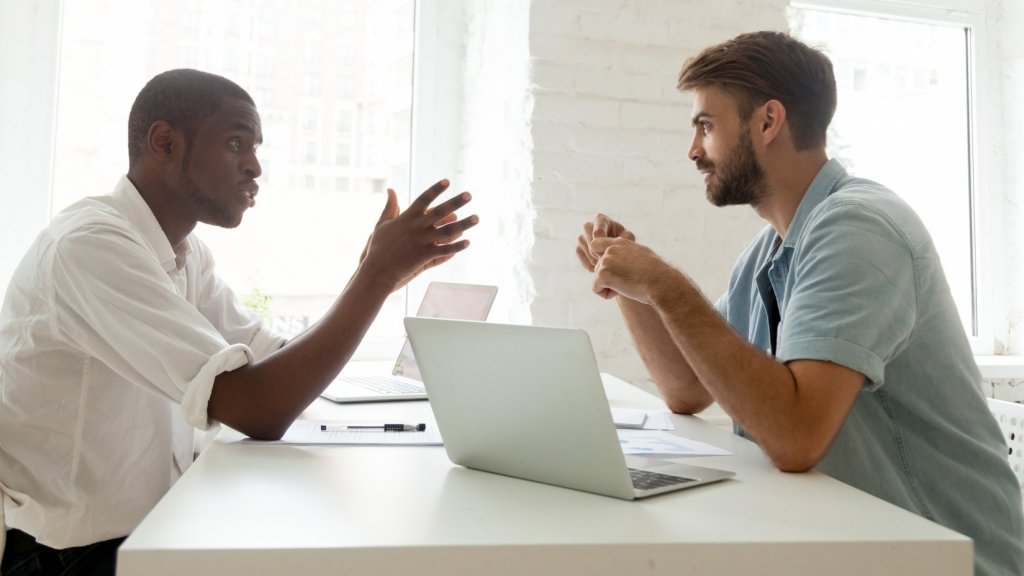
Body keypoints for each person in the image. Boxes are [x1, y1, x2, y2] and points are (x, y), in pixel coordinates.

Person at [576, 31, 1023, 575]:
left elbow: (796, 437)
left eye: (705, 125)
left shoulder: (859, 229)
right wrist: (632, 283)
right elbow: (686, 389)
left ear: (768, 122)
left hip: (947, 559)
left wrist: (665, 284)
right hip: (849, 543)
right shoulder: (772, 250)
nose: (693, 151)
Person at [0, 68, 478, 576]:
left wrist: (368, 276)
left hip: (148, 533)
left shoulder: (183, 253)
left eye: (256, 148)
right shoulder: (92, 247)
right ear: (164, 142)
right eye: (236, 142)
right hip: (69, 560)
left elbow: (274, 361)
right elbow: (258, 408)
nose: (254, 166)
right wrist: (374, 279)